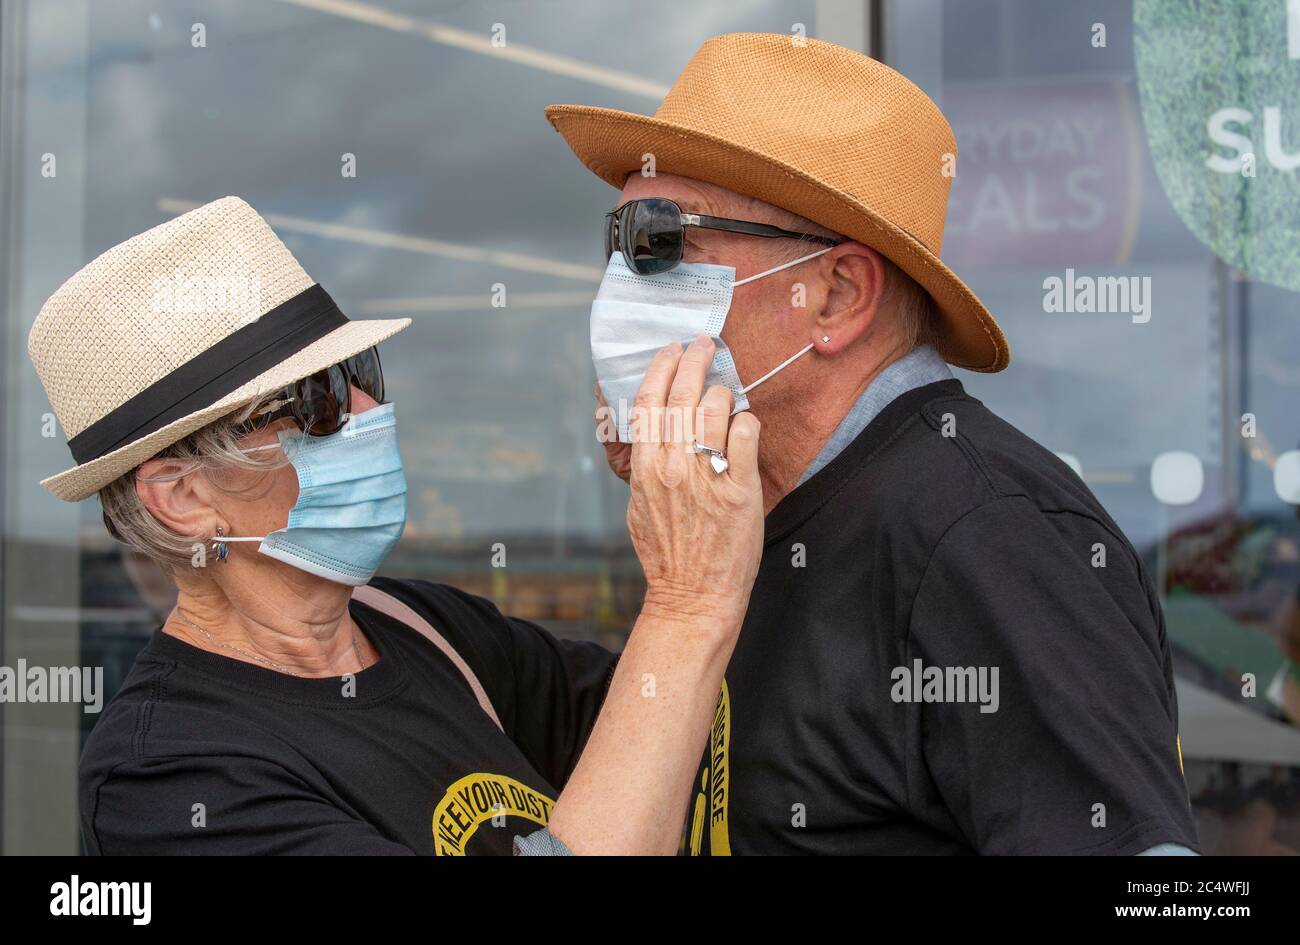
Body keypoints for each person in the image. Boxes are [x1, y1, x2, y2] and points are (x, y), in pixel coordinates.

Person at [546, 32, 1201, 854]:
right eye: (621, 241)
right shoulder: (741, 524)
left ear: (837, 296)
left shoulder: (991, 532)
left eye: (665, 241)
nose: (623, 285)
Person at [29, 196, 763, 855]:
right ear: (185, 497)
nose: (371, 411)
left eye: (363, 372)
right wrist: (686, 604)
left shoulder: (423, 625)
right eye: (315, 401)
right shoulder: (164, 776)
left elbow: (691, 736)